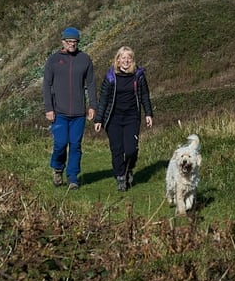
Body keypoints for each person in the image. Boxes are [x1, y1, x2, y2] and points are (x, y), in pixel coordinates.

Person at [42, 26, 97, 190]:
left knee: (75, 145)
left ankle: (73, 177)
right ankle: (58, 168)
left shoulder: (85, 59)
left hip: (79, 113)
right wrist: (48, 108)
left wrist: (93, 105)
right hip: (59, 112)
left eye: (75, 42)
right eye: (69, 42)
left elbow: (91, 83)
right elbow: (46, 84)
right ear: (63, 42)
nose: (72, 44)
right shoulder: (53, 60)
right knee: (60, 143)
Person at [95, 45, 154, 191]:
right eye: (123, 57)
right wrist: (98, 119)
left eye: (129, 58)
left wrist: (148, 114)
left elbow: (145, 95)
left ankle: (129, 169)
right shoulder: (110, 77)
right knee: (117, 150)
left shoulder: (138, 76)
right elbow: (103, 99)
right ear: (118, 60)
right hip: (113, 119)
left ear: (132, 60)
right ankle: (121, 177)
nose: (126, 60)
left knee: (131, 150)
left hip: (132, 118)